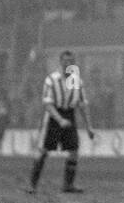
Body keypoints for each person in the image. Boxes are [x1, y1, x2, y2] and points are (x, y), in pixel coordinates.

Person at [29, 50, 95, 195]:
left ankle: (68, 185)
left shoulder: (77, 82)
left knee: (74, 150)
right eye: (65, 61)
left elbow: (82, 105)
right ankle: (33, 185)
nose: (68, 63)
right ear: (60, 62)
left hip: (69, 114)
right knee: (44, 151)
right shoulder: (51, 80)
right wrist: (59, 119)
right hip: (53, 115)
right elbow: (47, 104)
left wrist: (89, 126)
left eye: (71, 61)